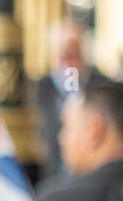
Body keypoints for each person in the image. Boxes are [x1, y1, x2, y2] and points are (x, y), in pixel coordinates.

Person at [36, 21, 106, 184]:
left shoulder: (103, 86)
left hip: (92, 182)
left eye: (73, 50)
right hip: (50, 179)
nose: (68, 57)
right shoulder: (38, 89)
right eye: (63, 51)